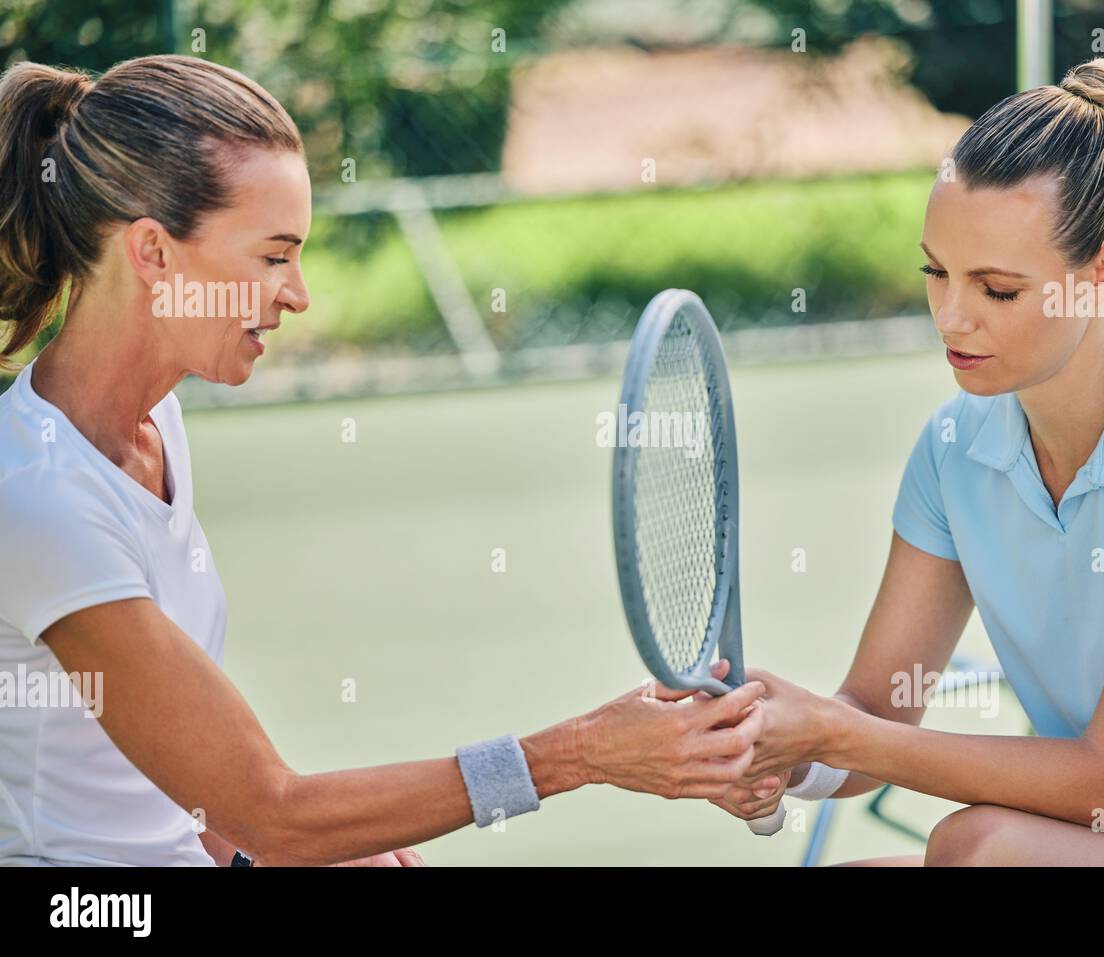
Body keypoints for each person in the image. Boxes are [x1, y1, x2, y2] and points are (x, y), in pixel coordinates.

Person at [0, 56, 765, 867]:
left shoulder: (154, 428)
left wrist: (293, 854)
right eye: (272, 255)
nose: (297, 293)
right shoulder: (41, 498)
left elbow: (176, 790)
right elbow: (272, 808)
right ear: (154, 253)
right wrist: (583, 754)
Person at [711, 57, 1104, 867]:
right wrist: (783, 755)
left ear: (1103, 275)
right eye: (936, 272)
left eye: (997, 289)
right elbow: (875, 709)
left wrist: (835, 730)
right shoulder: (952, 450)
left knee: (982, 847)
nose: (952, 316)